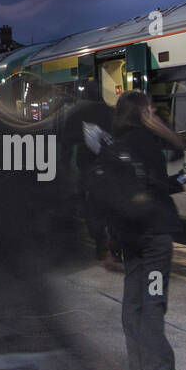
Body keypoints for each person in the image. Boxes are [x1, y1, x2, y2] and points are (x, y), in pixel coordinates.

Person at [111, 90, 186, 370]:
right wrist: (179, 180)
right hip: (154, 234)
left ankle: (137, 367)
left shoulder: (115, 142)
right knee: (154, 300)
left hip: (129, 235)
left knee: (133, 299)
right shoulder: (146, 141)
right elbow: (167, 169)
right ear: (142, 113)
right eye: (149, 111)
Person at [64, 81, 121, 270]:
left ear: (85, 94)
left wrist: (66, 169)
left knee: (92, 210)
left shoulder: (75, 113)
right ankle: (115, 246)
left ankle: (101, 244)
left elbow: (65, 144)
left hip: (87, 170)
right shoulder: (112, 112)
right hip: (112, 170)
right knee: (112, 208)